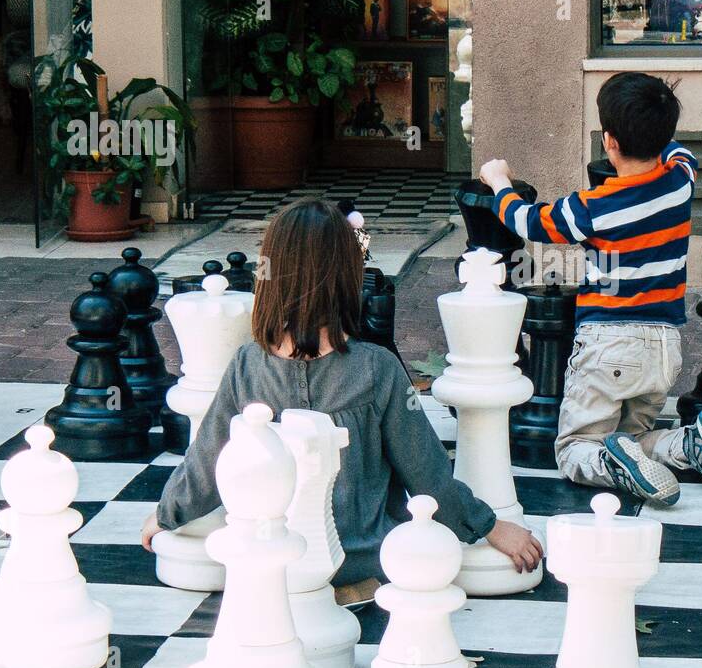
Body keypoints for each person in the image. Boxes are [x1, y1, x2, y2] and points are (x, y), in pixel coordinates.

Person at [140, 198, 542, 600]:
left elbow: (208, 462)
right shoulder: (377, 368)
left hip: (272, 560)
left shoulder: (247, 365)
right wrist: (490, 527)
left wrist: (165, 515)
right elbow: (427, 476)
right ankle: (343, 589)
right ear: (348, 277)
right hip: (364, 557)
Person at [478, 72, 702, 507]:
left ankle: (614, 464)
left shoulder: (594, 207)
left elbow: (529, 221)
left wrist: (498, 182)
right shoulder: (679, 181)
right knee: (634, 435)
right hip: (664, 346)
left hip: (608, 341)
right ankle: (690, 443)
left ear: (609, 142)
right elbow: (682, 152)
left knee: (574, 448)